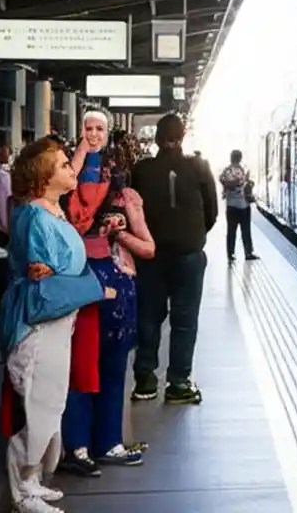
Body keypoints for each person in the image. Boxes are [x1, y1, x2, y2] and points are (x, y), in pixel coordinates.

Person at [0, 137, 113, 513]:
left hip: (59, 324)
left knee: (50, 402)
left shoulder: (53, 211)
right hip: (38, 327)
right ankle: (22, 491)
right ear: (45, 176)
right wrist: (94, 287)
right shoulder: (36, 216)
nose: (71, 169)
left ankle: (32, 480)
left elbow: (58, 271)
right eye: (64, 165)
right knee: (40, 404)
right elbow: (47, 281)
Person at [57, 111, 155, 476]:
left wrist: (119, 236)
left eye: (99, 129)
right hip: (87, 288)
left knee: (108, 367)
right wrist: (80, 154)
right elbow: (78, 213)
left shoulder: (125, 195)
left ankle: (98, 443)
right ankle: (82, 444)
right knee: (82, 368)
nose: (93, 135)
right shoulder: (61, 194)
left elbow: (148, 246)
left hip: (106, 287)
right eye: (87, 129)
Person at [130, 113, 218, 404]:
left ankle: (145, 380)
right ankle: (178, 383)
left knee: (149, 317)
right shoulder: (199, 167)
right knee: (185, 320)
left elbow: (133, 212)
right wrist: (191, 236)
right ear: (183, 137)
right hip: (188, 255)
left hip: (151, 256)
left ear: (156, 139)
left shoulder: (142, 170)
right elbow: (212, 213)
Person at [219, 150, 259, 263]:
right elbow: (248, 184)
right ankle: (248, 252)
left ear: (231, 158)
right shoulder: (243, 170)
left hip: (231, 206)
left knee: (231, 231)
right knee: (246, 230)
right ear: (240, 158)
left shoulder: (226, 171)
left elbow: (222, 181)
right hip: (244, 205)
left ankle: (230, 254)